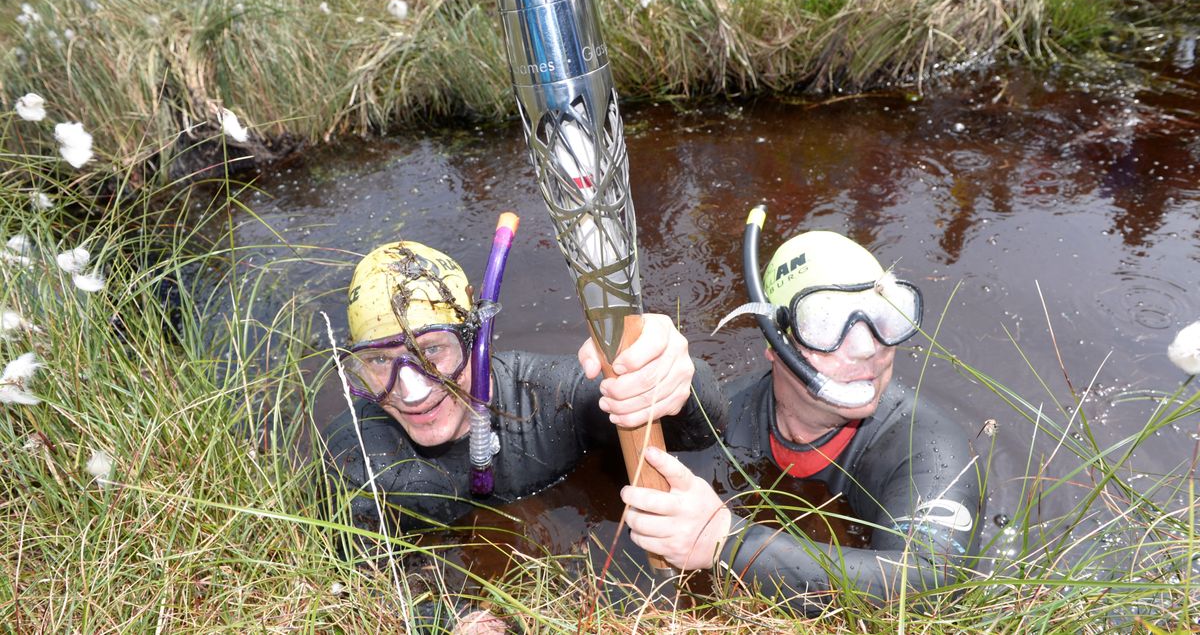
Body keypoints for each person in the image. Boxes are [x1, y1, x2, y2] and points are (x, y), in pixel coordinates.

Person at [619, 228, 984, 611]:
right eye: (825, 324)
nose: (867, 349)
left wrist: (727, 542)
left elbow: (932, 583)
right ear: (776, 345)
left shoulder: (928, 445)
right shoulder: (733, 409)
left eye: (885, 316)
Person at [321, 239, 727, 543]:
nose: (410, 391)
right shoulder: (357, 457)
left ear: (476, 339)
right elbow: (360, 575)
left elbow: (704, 432)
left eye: (431, 351)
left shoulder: (551, 399)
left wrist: (674, 379)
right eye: (378, 361)